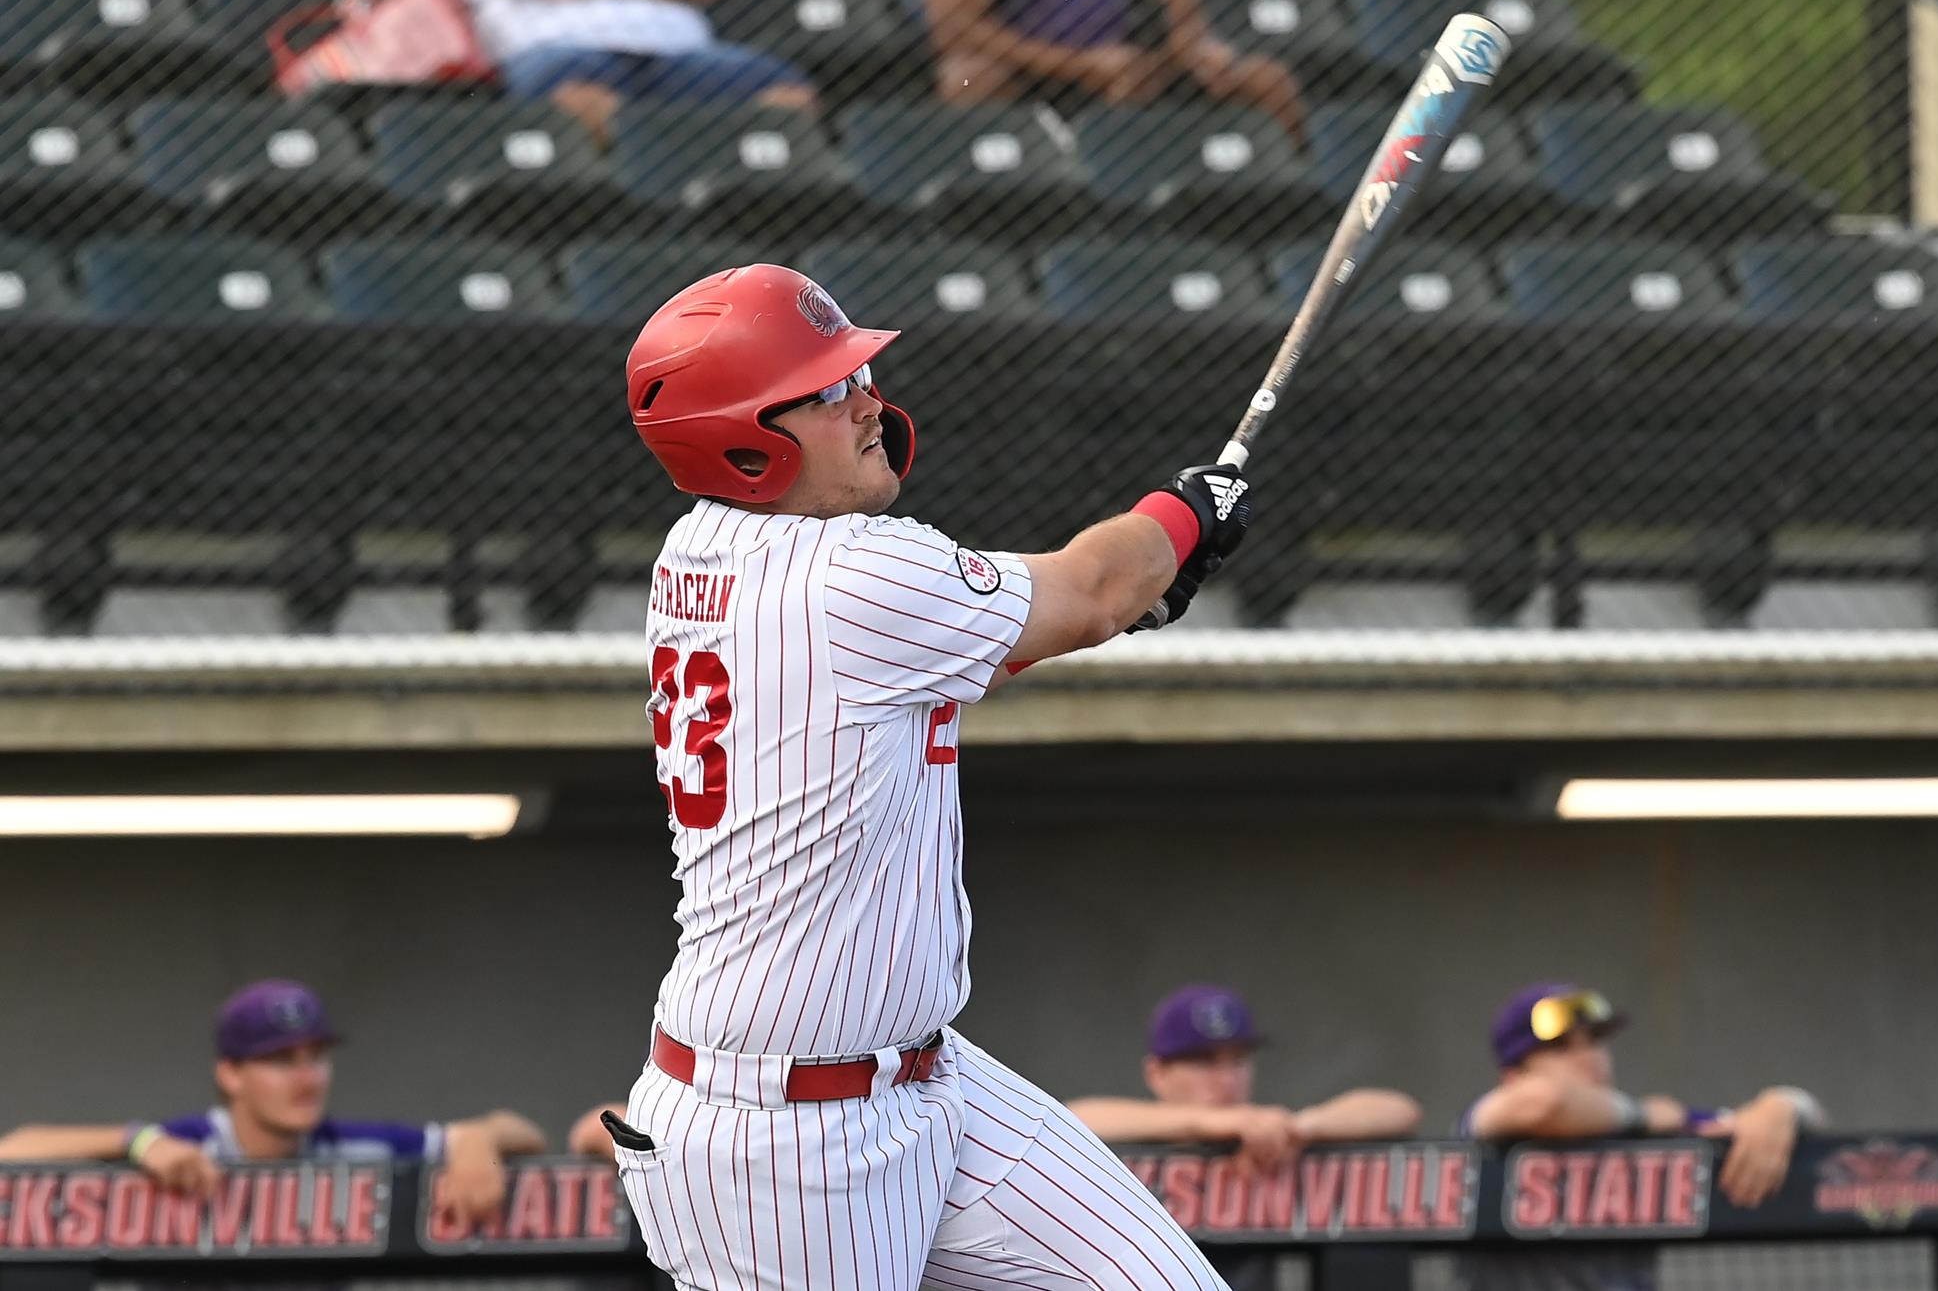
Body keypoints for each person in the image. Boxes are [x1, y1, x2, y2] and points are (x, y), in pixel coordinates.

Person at [601, 263, 1253, 1290]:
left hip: (926, 1074)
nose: (866, 401)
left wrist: (1134, 592)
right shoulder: (848, 572)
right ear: (742, 437)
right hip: (784, 1148)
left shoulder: (701, 548)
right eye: (826, 391)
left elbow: (974, 641)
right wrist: (1179, 516)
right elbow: (1089, 586)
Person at [0, 980, 546, 1224]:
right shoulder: (192, 1142)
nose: (307, 1078)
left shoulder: (345, 1144)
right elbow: (15, 1149)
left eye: (316, 1057)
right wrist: (139, 1141)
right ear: (230, 1075)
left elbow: (523, 1129)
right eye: (282, 1061)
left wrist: (479, 1140)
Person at [1453, 982, 1827, 1291]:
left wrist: (1780, 1106)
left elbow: (1810, 1113)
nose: (1590, 1057)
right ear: (1513, 1076)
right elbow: (1546, 1103)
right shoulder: (1490, 1123)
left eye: (1595, 1040)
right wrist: (1642, 1114)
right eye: (1561, 1047)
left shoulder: (1644, 1127)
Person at [922, 0, 1307, 143]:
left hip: (1123, 65)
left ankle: (1322, 229)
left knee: (1266, 81)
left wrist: (1187, 56)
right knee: (969, 79)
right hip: (1022, 69)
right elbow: (953, 29)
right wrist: (1079, 66)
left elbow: (1183, 24)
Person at [449, 0, 815, 146]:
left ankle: (720, 181)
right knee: (578, 100)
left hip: (677, 51)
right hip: (558, 50)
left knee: (787, 93)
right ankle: (649, 179)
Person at [1068, 984, 1423, 1175]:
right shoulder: (1135, 1132)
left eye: (1238, 1060)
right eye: (1203, 1061)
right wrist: (1217, 1123)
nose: (1226, 1079)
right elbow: (1074, 1118)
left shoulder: (1268, 1134)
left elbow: (1399, 1109)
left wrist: (1301, 1127)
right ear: (1156, 1074)